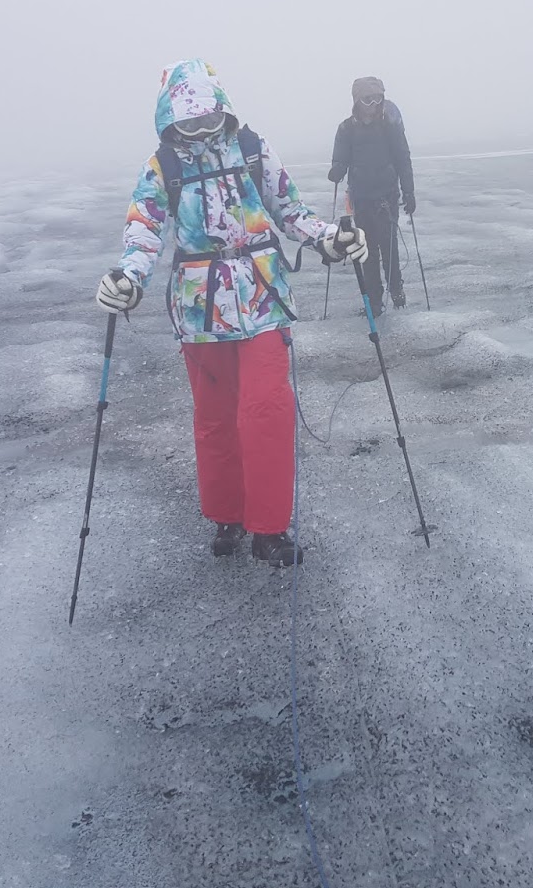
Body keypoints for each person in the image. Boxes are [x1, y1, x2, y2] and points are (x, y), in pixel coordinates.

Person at [94, 59, 367, 567]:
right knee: (215, 420)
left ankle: (269, 528)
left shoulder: (252, 149)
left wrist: (331, 238)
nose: (199, 129)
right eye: (187, 121)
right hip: (199, 314)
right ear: (169, 119)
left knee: (267, 409)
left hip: (263, 300)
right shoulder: (162, 168)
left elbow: (290, 211)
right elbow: (144, 228)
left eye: (208, 117)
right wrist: (128, 278)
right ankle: (228, 517)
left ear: (225, 110)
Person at [328, 77, 415, 314]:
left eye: (378, 98)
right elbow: (341, 159)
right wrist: (337, 170)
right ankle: (374, 301)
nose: (374, 104)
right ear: (358, 101)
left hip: (386, 194)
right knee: (366, 250)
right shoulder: (346, 129)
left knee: (389, 246)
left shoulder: (390, 127)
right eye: (369, 99)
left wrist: (409, 191)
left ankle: (396, 290)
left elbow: (402, 159)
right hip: (361, 197)